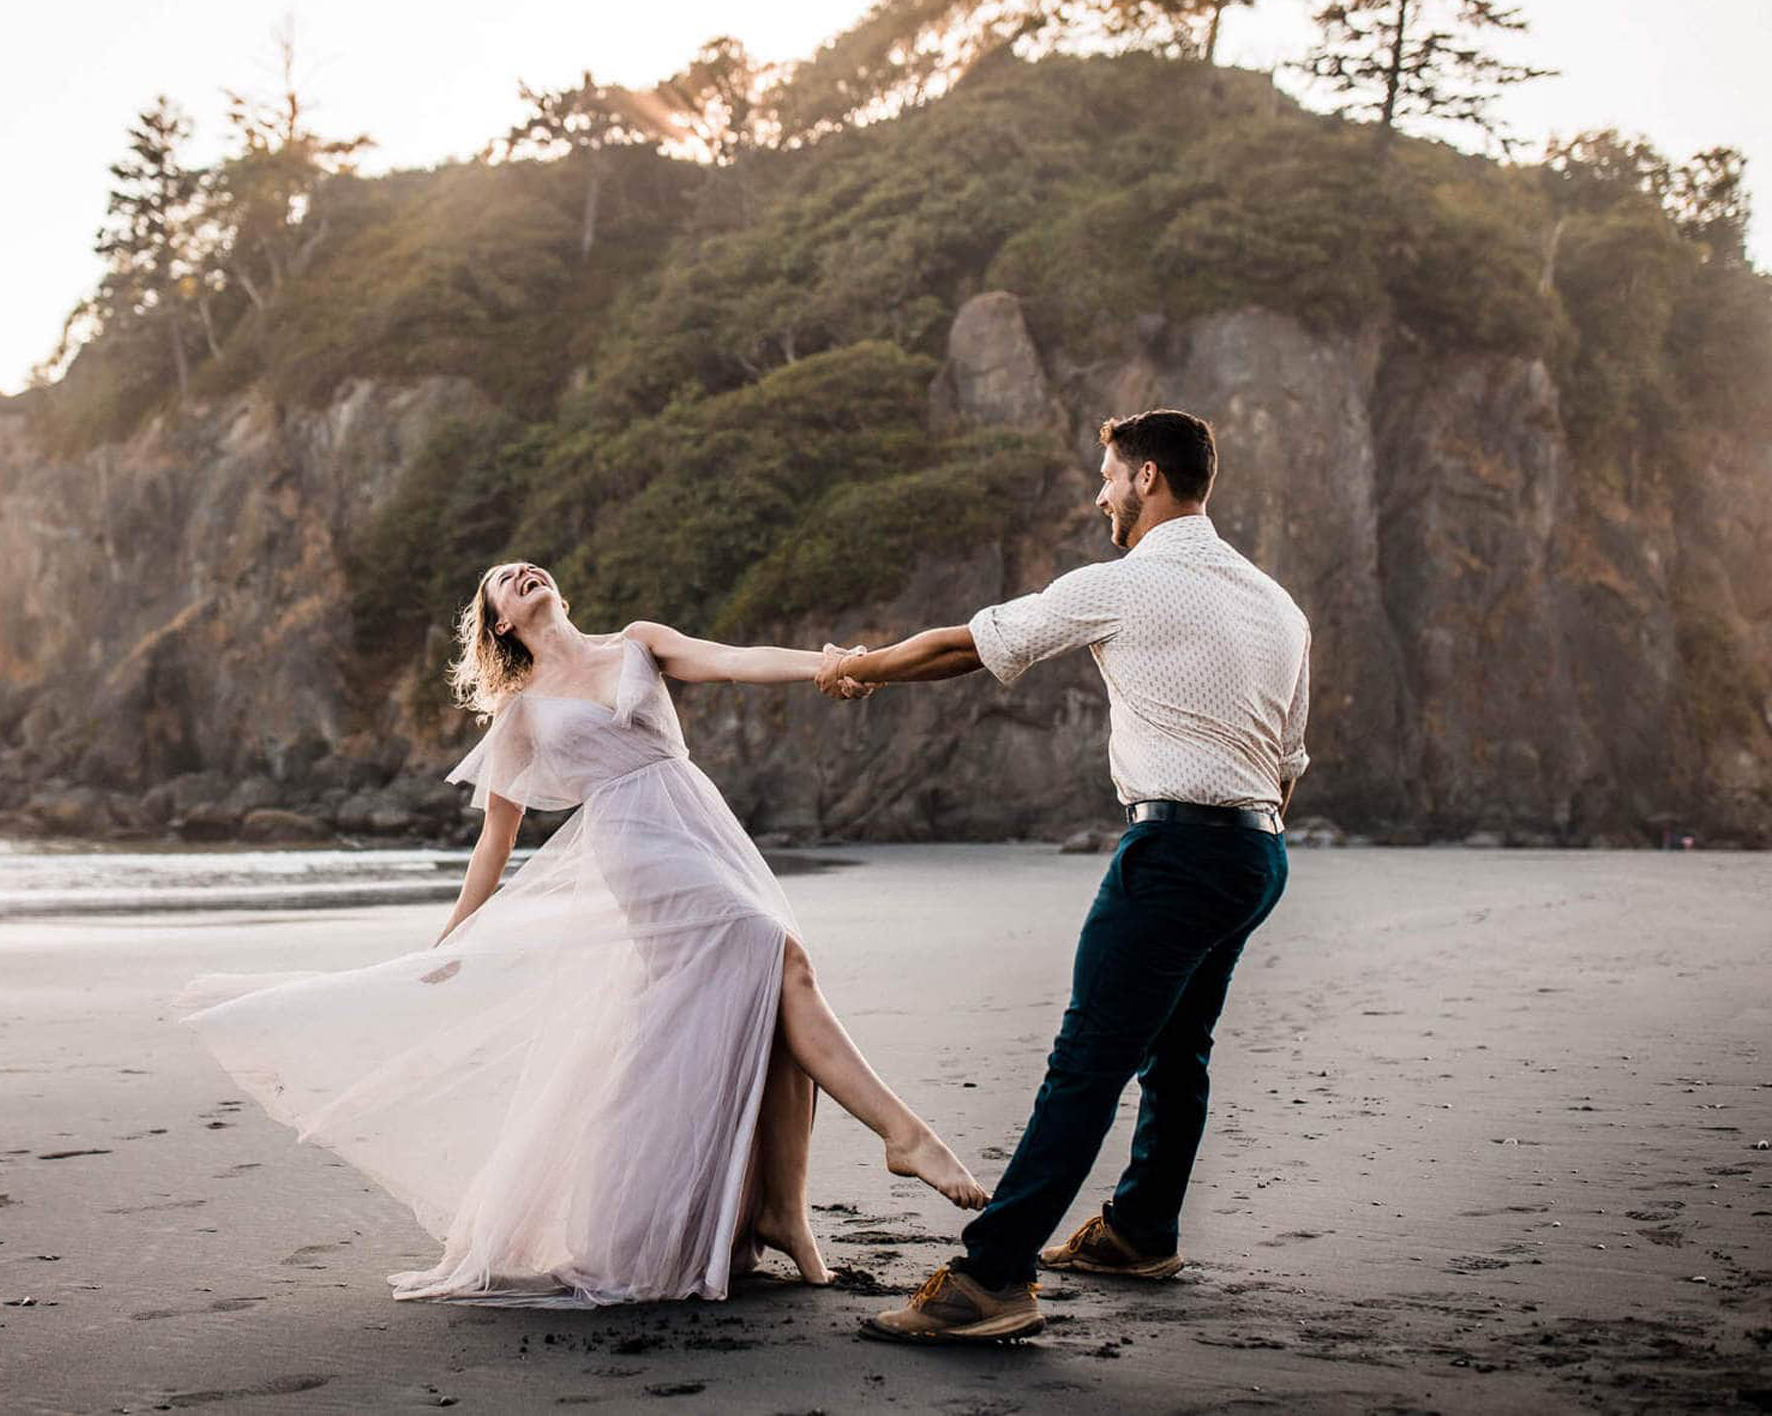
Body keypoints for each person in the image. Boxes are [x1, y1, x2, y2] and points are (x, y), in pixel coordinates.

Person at [180, 562, 983, 1308]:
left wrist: (828, 663)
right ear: (499, 623)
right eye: (504, 581)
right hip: (635, 848)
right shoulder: (522, 710)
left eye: (526, 567)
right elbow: (496, 837)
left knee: (770, 1002)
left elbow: (737, 659)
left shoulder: (639, 642)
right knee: (778, 957)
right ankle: (903, 1136)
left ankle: (783, 1216)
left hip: (703, 827)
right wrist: (456, 937)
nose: (521, 573)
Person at [819, 408, 1311, 1344]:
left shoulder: (1131, 585)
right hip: (1259, 851)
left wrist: (861, 667)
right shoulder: (1276, 603)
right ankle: (1139, 1232)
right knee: (1177, 1049)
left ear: (1150, 480)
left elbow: (970, 645)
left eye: (1110, 476)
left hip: (1176, 853)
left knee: (1086, 1063)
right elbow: (1289, 757)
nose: (1100, 494)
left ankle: (991, 1277)